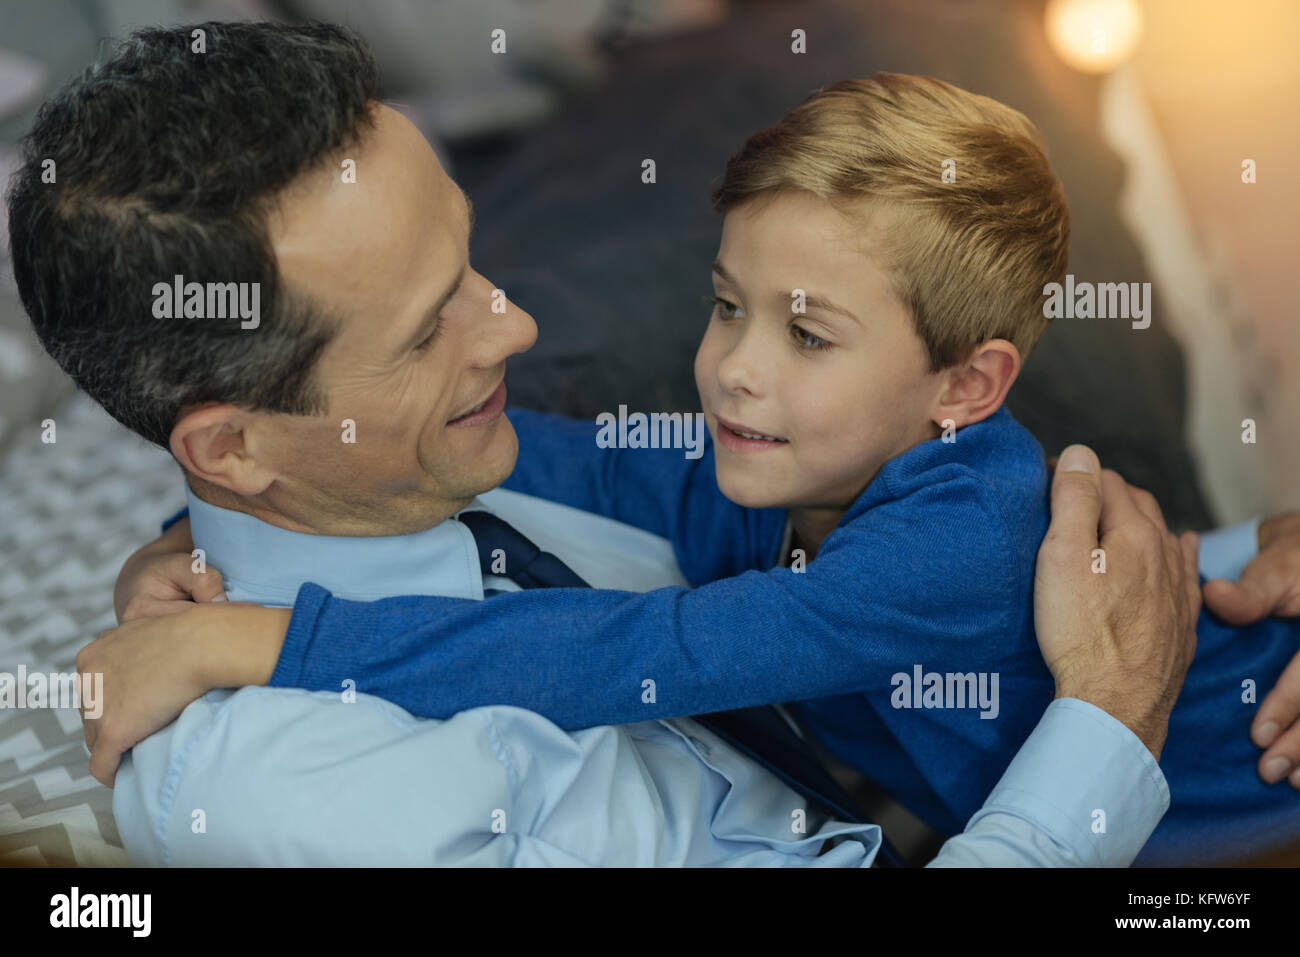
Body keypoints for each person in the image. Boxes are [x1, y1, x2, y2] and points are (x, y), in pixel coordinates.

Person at [0, 21, 1229, 865]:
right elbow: (645, 639)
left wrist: (233, 592)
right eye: (432, 329)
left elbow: (665, 610)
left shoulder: (446, 467)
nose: (513, 325)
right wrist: (1112, 717)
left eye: (474, 262)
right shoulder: (305, 799)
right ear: (233, 448)